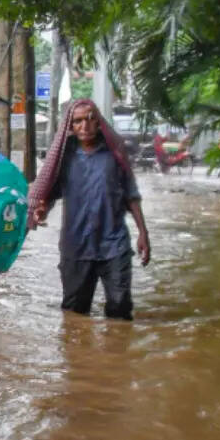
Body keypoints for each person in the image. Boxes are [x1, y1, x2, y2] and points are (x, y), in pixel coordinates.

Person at [30, 99, 150, 320]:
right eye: (78, 121)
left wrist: (143, 233)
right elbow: (50, 193)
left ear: (99, 122)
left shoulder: (115, 153)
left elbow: (131, 194)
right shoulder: (64, 157)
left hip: (114, 244)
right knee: (75, 312)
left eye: (90, 119)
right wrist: (41, 210)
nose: (85, 125)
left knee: (120, 309)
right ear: (71, 126)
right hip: (76, 246)